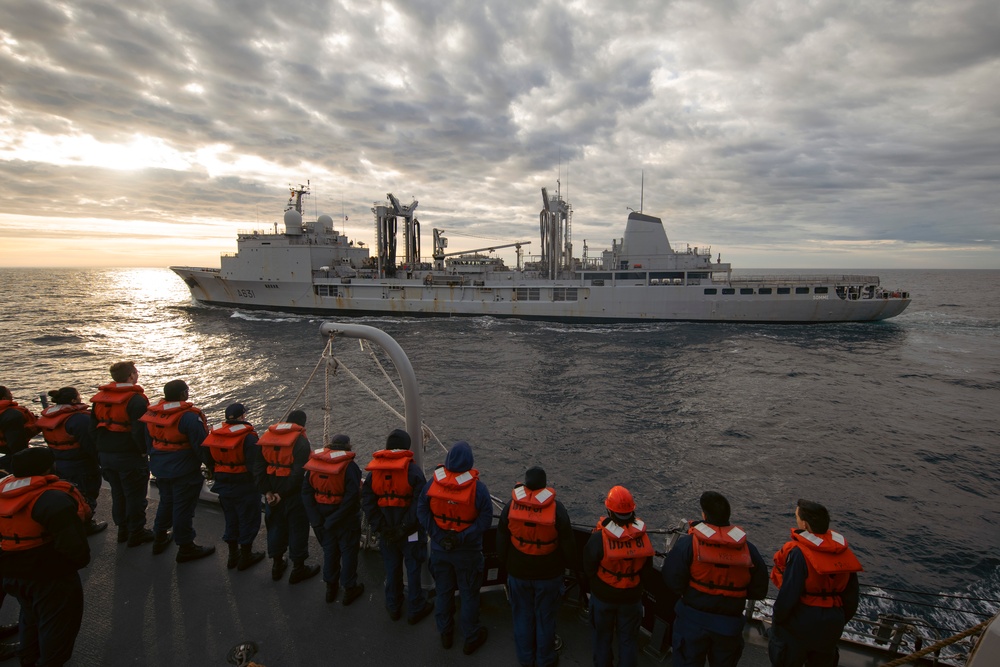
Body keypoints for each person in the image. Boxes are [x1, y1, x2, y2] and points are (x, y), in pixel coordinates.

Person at [0, 447, 91, 666]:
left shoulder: (3, 492)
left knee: (30, 617)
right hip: (49, 577)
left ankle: (28, 658)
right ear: (48, 468)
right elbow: (75, 547)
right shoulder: (51, 499)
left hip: (11, 572)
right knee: (57, 627)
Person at [662, 491, 769, 667]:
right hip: (729, 623)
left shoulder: (688, 544)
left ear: (704, 515)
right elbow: (759, 589)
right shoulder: (748, 550)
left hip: (693, 620)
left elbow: (672, 578)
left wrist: (692, 592)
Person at [416, 441, 492, 655]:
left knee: (443, 591)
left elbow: (422, 511)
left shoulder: (433, 484)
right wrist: (461, 538)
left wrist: (438, 535)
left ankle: (445, 633)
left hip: (440, 549)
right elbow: (485, 520)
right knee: (468, 594)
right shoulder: (479, 489)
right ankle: (471, 635)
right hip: (467, 553)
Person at [497, 466, 577, 667]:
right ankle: (546, 659)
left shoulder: (510, 507)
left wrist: (506, 564)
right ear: (544, 485)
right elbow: (568, 544)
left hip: (518, 571)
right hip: (548, 574)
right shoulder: (557, 510)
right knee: (545, 618)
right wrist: (570, 566)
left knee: (522, 616)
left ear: (526, 483)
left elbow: (501, 539)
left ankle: (525, 659)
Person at [769, 499, 863, 667]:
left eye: (796, 516)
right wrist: (838, 618)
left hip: (802, 620)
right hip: (832, 622)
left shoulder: (799, 553)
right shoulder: (844, 552)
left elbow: (789, 594)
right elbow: (851, 597)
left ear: (804, 525)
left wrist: (778, 619)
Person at [361, 429, 432, 623]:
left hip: (386, 532)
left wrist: (381, 527)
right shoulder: (413, 471)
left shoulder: (374, 472)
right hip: (409, 533)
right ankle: (416, 606)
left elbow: (368, 501)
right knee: (413, 568)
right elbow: (420, 503)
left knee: (391, 569)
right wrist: (404, 527)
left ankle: (393, 605)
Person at [140, 379, 215, 562]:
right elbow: (201, 446)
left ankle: (159, 537)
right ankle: (186, 546)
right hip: (184, 470)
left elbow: (148, 441)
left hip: (160, 467)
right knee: (183, 508)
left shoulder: (152, 414)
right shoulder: (189, 417)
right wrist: (212, 467)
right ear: (183, 394)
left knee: (166, 501)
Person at [582, 485, 657, 667]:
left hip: (604, 596)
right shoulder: (642, 538)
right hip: (631, 598)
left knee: (602, 639)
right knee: (628, 640)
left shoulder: (599, 538)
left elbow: (588, 567)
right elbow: (647, 571)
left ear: (609, 511)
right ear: (632, 511)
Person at [89, 361, 154, 547]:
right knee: (134, 495)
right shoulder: (136, 400)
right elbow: (138, 431)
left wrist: (101, 449)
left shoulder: (100, 398)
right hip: (128, 456)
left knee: (118, 493)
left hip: (106, 455)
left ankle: (122, 530)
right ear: (132, 375)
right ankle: (137, 532)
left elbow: (92, 429)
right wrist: (143, 452)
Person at [253, 410, 319, 584]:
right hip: (292, 495)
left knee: (274, 526)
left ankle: (277, 564)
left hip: (271, 494)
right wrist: (282, 494)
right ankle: (298, 568)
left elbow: (258, 468)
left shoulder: (266, 439)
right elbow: (298, 474)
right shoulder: (301, 442)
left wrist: (267, 492)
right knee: (297, 529)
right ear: (302, 425)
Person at [36, 386, 108, 536]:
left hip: (59, 463)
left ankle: (73, 524)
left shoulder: (48, 417)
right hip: (81, 466)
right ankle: (86, 524)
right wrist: (103, 463)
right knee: (86, 495)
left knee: (70, 495)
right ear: (74, 399)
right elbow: (90, 445)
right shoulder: (79, 419)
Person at [201, 403, 265, 571]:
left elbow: (207, 457)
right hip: (245, 486)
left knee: (231, 519)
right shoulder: (249, 437)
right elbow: (255, 465)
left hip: (223, 484)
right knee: (248, 519)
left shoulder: (214, 434)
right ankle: (246, 555)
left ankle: (232, 555)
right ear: (242, 417)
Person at [302, 433, 364, 605]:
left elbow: (306, 493)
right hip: (345, 520)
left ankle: (331, 587)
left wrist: (316, 519)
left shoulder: (314, 465)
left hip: (322, 518)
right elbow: (352, 497)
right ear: (348, 446)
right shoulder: (350, 467)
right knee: (349, 552)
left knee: (330, 552)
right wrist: (335, 518)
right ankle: (349, 588)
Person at [0, 386, 41, 471]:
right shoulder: (12, 415)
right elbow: (17, 445)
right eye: (10, 394)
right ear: (4, 398)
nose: (12, 396)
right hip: (9, 455)